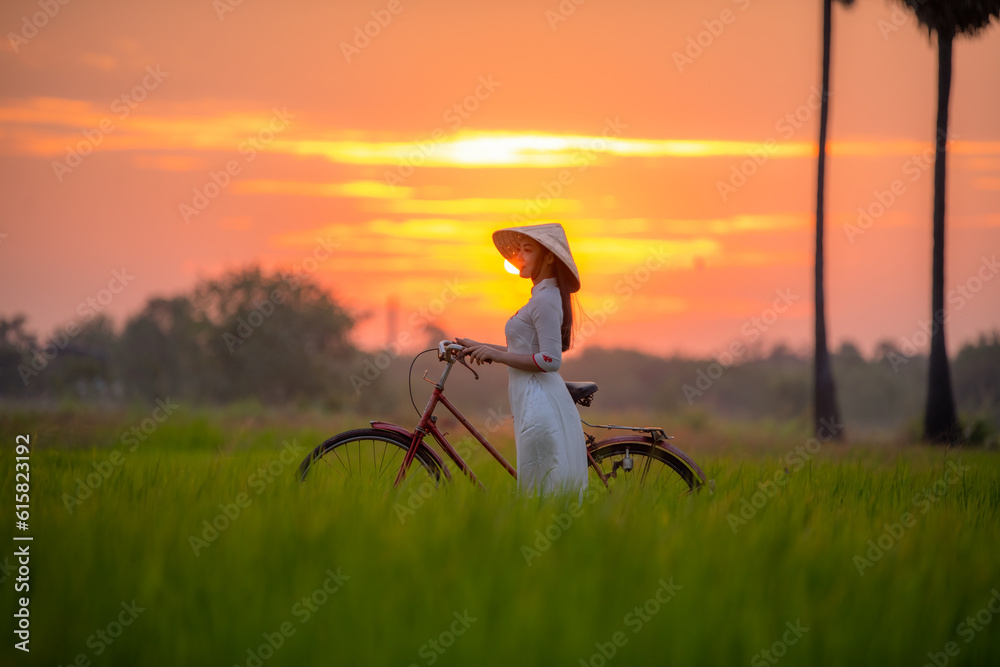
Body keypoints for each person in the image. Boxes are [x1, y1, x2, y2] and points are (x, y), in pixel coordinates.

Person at [456, 223, 588, 499]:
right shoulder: (541, 297)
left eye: (528, 250)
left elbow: (551, 360)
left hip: (540, 406)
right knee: (539, 494)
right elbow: (520, 348)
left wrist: (496, 356)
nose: (519, 257)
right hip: (530, 401)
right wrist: (478, 346)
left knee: (541, 497)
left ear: (549, 257)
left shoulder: (544, 301)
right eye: (519, 251)